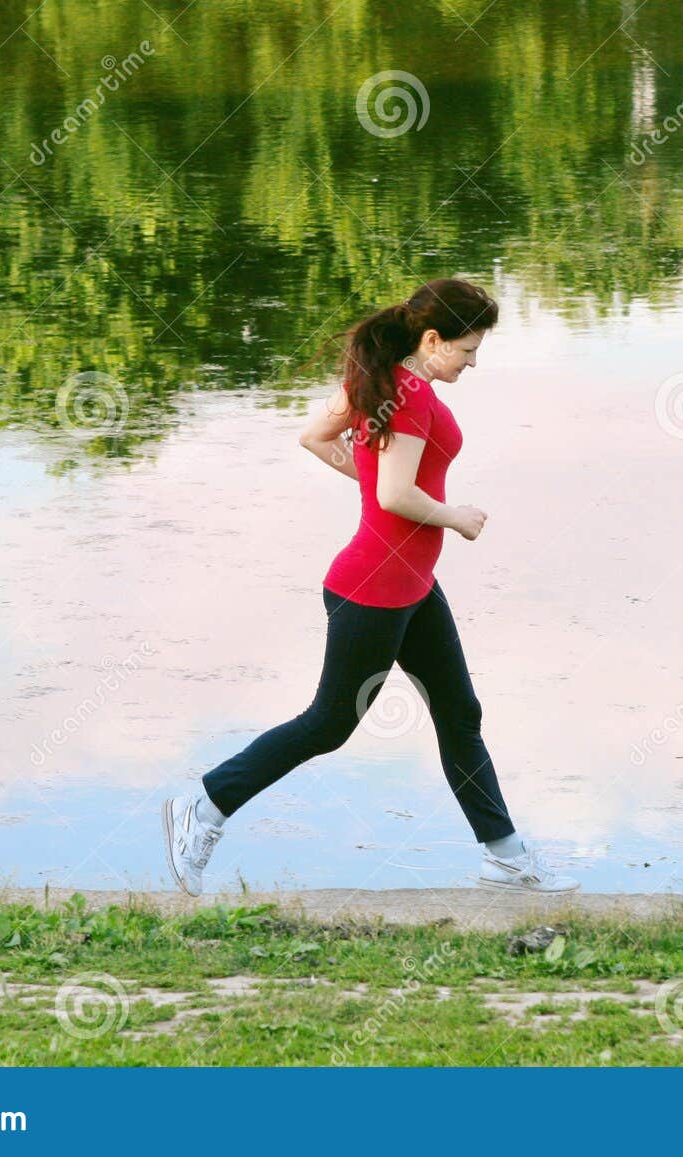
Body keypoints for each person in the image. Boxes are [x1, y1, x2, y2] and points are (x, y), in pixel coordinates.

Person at [162, 278, 579, 897]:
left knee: (460, 715)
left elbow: (316, 438)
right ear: (432, 339)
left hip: (410, 584)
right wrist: (453, 514)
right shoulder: (405, 396)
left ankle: (506, 858)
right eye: (466, 350)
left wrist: (373, 478)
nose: (473, 362)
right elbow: (391, 494)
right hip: (375, 588)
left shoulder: (382, 380)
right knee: (329, 724)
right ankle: (205, 804)